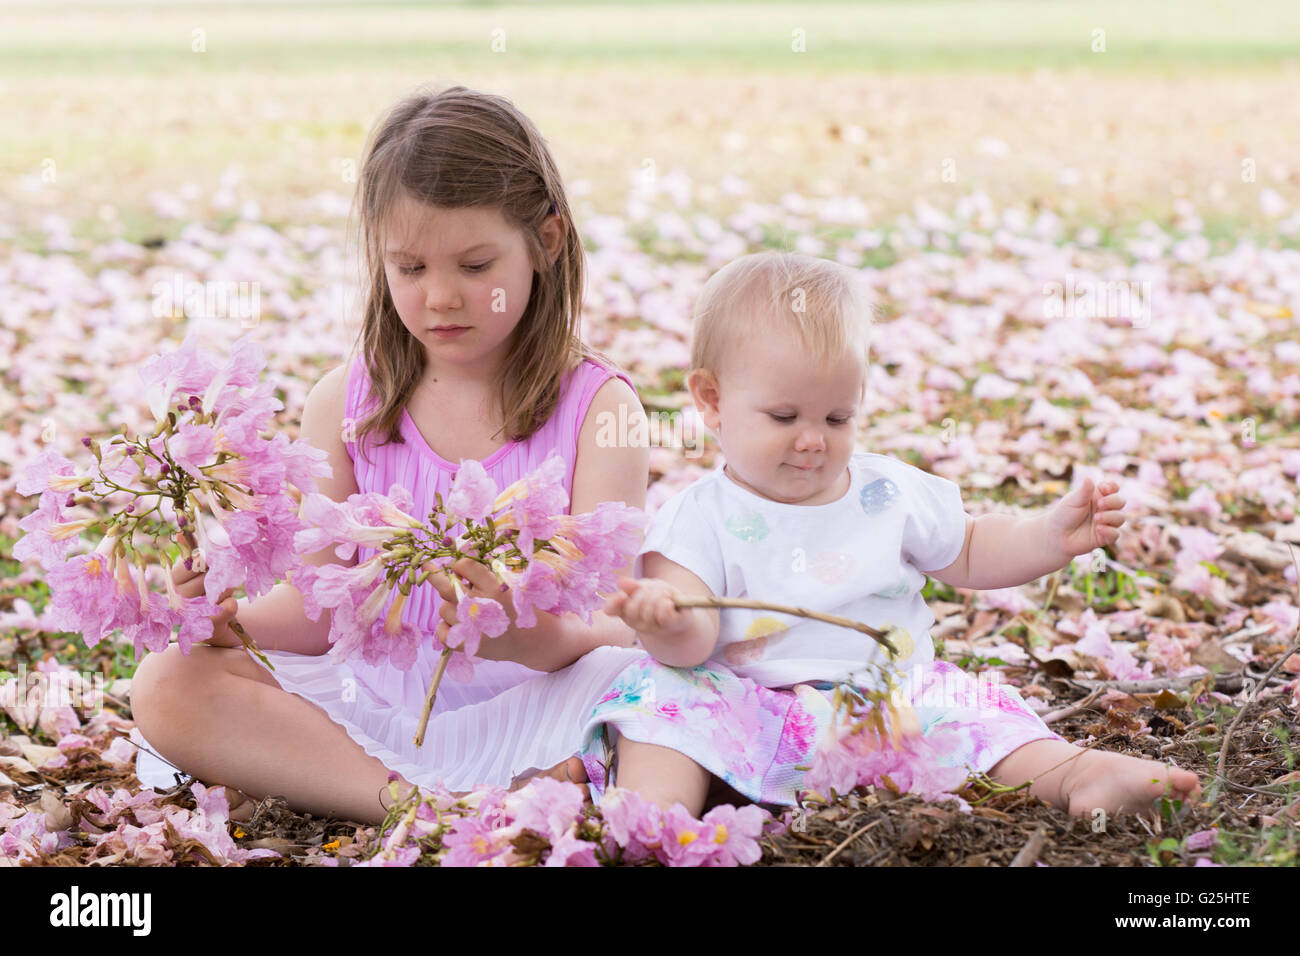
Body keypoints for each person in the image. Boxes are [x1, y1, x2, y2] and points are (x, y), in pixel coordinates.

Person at [128, 85, 653, 826]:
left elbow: (618, 621)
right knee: (168, 684)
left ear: (548, 241)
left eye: (475, 266)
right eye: (410, 269)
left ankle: (518, 785)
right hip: (371, 703)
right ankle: (420, 806)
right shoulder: (346, 402)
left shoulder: (598, 410)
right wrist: (229, 624)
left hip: (543, 701)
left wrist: (527, 633)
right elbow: (318, 607)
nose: (441, 297)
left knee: (657, 688)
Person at [593, 250, 1203, 819]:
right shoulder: (697, 516)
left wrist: (1048, 537)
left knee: (978, 715)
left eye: (839, 417)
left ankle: (1076, 774)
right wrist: (666, 622)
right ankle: (656, 821)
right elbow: (693, 640)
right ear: (711, 398)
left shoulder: (886, 491)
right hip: (754, 709)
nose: (813, 439)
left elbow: (967, 550)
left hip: (893, 703)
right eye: (784, 417)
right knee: (664, 702)